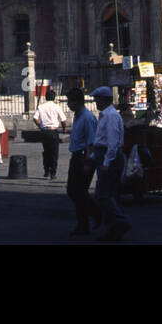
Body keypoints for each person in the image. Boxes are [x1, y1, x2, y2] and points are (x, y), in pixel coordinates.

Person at [90, 86, 131, 240]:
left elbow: (113, 143)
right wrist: (94, 156)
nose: (95, 102)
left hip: (110, 157)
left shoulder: (111, 116)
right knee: (112, 194)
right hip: (104, 154)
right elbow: (101, 139)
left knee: (103, 194)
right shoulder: (104, 115)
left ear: (105, 99)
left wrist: (106, 162)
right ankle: (113, 228)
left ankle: (120, 222)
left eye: (97, 99)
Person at [65, 88, 101, 236]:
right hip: (76, 156)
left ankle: (93, 216)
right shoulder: (78, 116)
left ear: (77, 101)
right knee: (74, 191)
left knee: (78, 192)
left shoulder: (87, 118)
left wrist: (87, 163)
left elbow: (91, 143)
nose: (68, 104)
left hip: (83, 158)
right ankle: (88, 220)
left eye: (70, 101)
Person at [33, 88, 66, 180]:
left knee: (46, 152)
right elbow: (63, 120)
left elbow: (35, 118)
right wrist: (64, 129)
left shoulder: (41, 107)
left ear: (46, 97)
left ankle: (46, 170)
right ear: (54, 98)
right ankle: (53, 172)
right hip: (53, 131)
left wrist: (40, 126)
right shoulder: (57, 107)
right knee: (54, 153)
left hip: (44, 131)